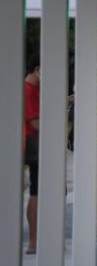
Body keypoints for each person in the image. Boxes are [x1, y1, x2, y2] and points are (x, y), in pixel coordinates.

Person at [23, 53, 41, 254]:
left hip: (37, 141)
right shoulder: (28, 90)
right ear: (37, 69)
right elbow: (34, 122)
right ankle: (34, 240)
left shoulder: (36, 88)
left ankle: (37, 238)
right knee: (37, 190)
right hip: (34, 142)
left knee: (40, 190)